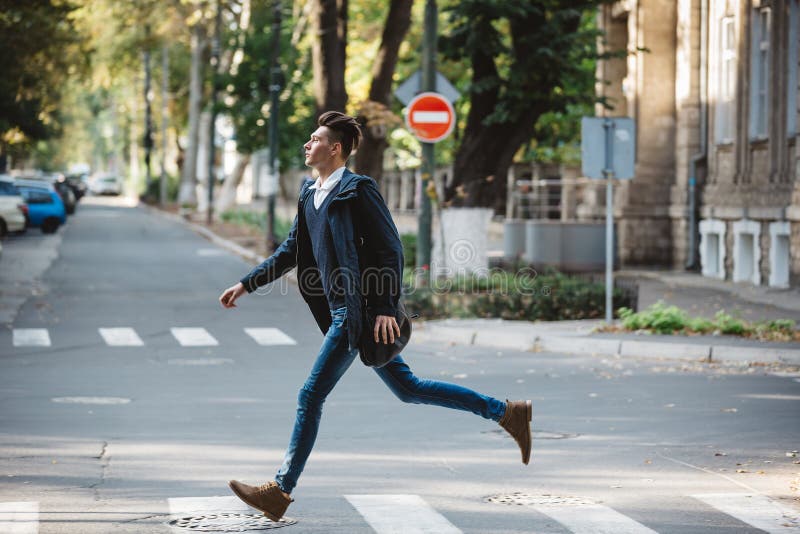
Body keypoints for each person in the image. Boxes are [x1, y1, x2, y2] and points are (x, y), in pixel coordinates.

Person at [218, 111, 532, 522]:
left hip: (358, 312)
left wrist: (385, 308)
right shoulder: (310, 193)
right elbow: (291, 250)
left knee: (310, 396)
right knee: (408, 387)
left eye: (314, 139)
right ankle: (507, 412)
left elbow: (390, 250)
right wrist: (248, 283)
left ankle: (280, 490)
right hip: (339, 311)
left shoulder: (357, 190)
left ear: (335, 148)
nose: (307, 145)